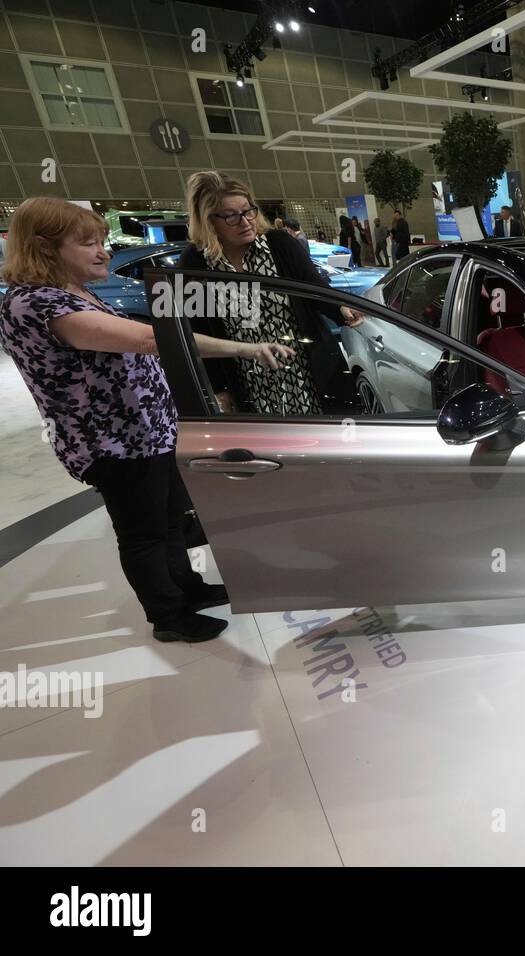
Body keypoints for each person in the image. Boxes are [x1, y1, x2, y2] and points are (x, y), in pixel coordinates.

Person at [0, 196, 295, 643]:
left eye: (102, 241)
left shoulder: (72, 290)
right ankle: (168, 615)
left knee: (171, 518)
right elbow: (146, 340)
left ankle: (187, 589)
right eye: (87, 243)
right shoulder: (36, 303)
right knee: (144, 532)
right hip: (112, 441)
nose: (104, 251)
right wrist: (247, 348)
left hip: (147, 431)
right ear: (43, 246)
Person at [181, 171, 362, 416]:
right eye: (232, 217)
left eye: (248, 211)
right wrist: (219, 388)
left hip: (304, 371)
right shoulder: (196, 264)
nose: (246, 222)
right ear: (209, 220)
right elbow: (195, 334)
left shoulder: (278, 244)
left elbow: (316, 290)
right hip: (245, 381)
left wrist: (341, 309)